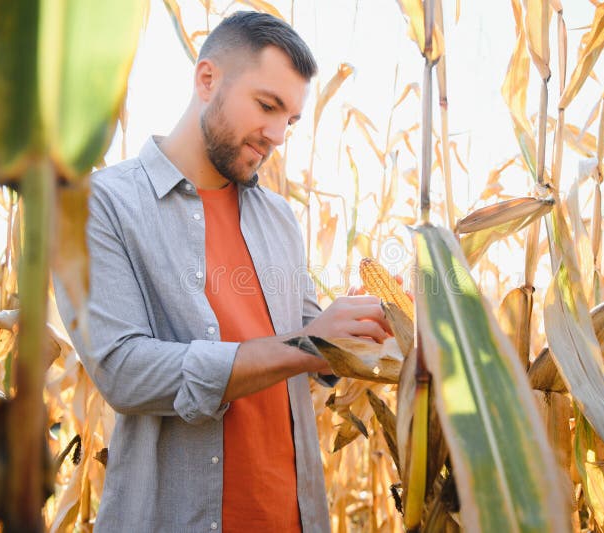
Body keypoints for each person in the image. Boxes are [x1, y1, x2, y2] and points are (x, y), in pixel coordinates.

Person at [53, 10, 392, 533]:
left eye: (291, 120)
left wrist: (362, 330)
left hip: (293, 516)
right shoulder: (102, 206)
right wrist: (309, 343)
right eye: (267, 105)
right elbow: (124, 371)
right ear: (207, 79)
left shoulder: (278, 217)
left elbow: (308, 344)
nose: (278, 134)